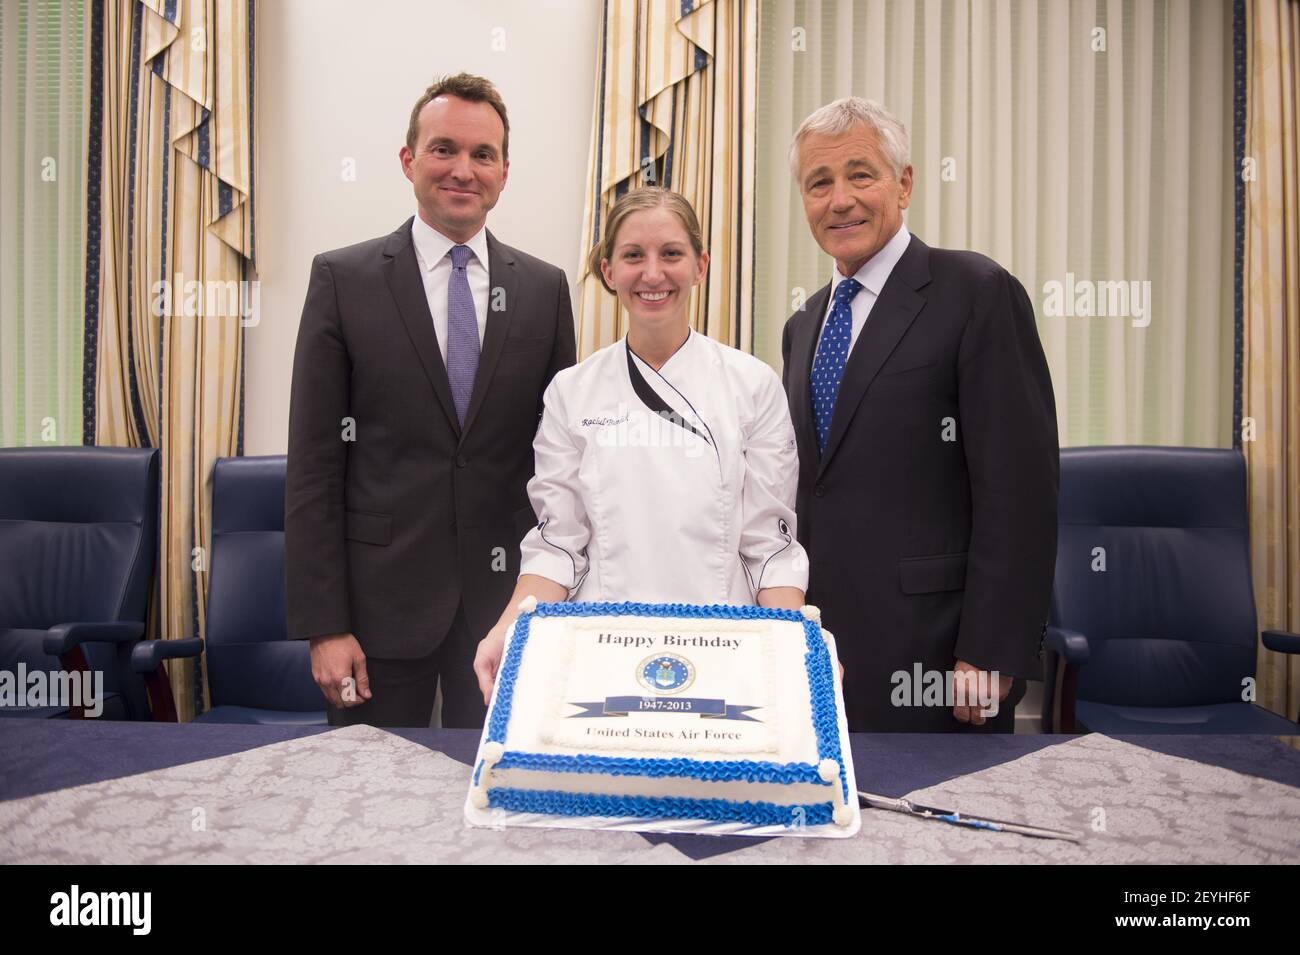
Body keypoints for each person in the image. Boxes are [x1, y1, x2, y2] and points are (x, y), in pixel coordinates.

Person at [285, 73, 576, 728]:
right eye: (444, 149)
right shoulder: (342, 280)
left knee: (502, 806)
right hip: (378, 615)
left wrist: (554, 608)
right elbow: (313, 467)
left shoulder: (544, 290)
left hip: (506, 616)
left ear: (504, 172)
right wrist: (324, 625)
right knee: (370, 808)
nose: (463, 170)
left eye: (483, 155)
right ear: (409, 160)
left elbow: (557, 471)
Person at [780, 97, 1058, 733]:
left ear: (903, 184)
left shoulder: (977, 292)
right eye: (819, 183)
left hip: (939, 660)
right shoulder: (803, 326)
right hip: (821, 653)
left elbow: (1020, 490)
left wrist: (992, 647)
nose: (839, 199)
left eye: (861, 174)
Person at [473, 187, 808, 702]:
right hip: (602, 648)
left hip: (723, 647)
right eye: (634, 256)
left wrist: (794, 649)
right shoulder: (571, 392)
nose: (653, 274)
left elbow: (770, 549)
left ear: (701, 265)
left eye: (671, 254)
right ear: (609, 271)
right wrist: (507, 628)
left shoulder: (753, 385)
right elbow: (558, 544)